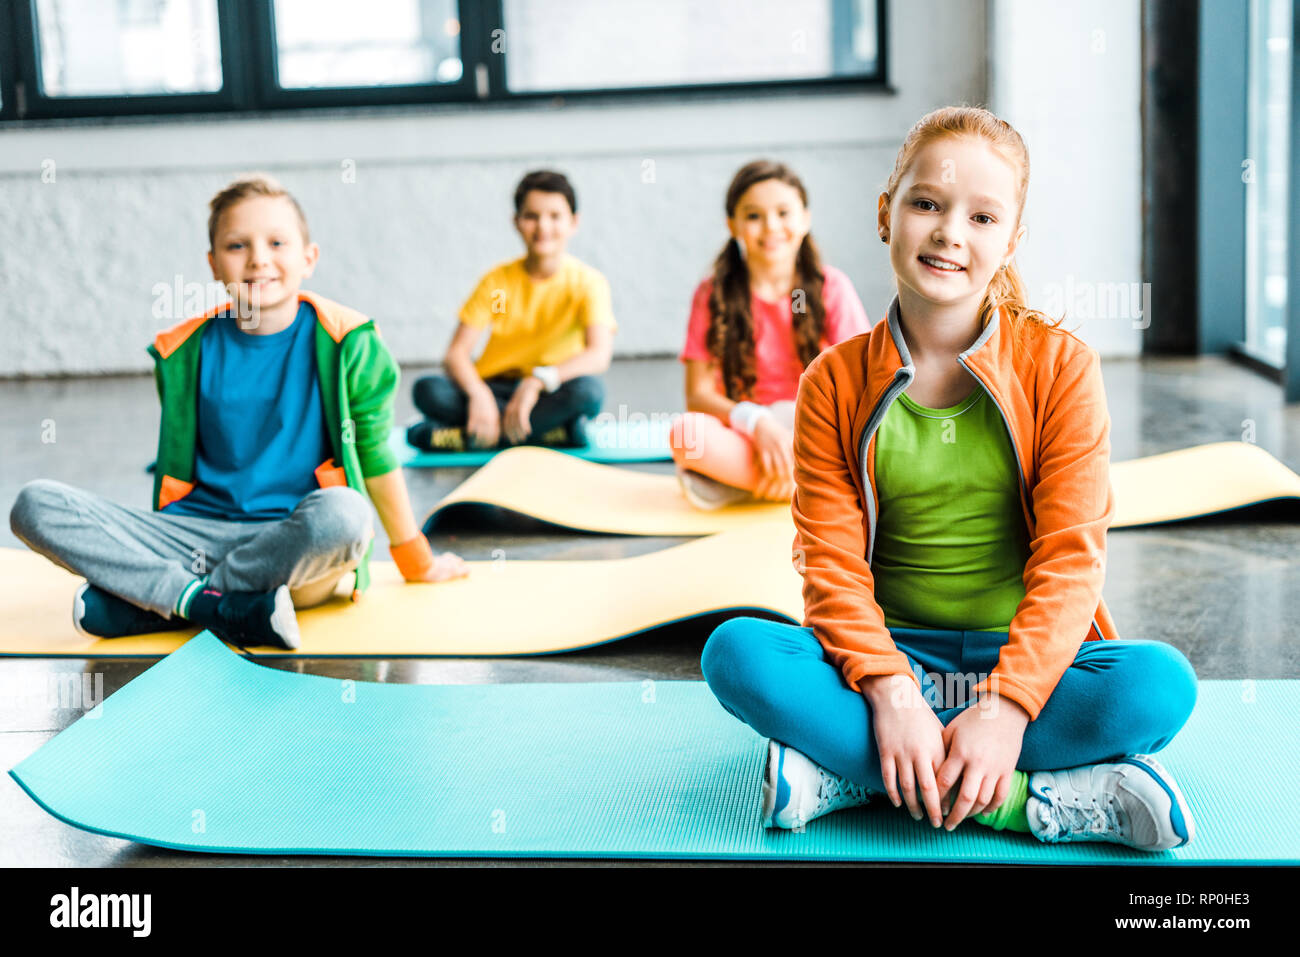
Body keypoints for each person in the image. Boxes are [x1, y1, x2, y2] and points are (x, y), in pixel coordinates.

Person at [700, 108, 1199, 851]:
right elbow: (830, 565)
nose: (949, 232)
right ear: (885, 213)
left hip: (1025, 661)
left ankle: (856, 774)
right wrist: (891, 689)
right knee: (737, 653)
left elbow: (1071, 559)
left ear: (1011, 239)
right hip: (885, 663)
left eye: (983, 215)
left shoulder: (1062, 367)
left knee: (1159, 684)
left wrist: (1007, 703)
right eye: (926, 203)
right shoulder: (831, 382)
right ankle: (1037, 794)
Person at [9, 174, 467, 650]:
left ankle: (164, 602)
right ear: (213, 264)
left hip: (295, 543)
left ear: (308, 258)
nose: (258, 259)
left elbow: (373, 453)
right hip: (191, 537)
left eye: (276, 242)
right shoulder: (184, 351)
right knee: (35, 504)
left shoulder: (351, 343)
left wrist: (416, 558)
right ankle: (214, 605)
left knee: (346, 516)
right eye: (237, 245)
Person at [669, 160, 870, 509]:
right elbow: (698, 395)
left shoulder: (832, 287)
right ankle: (801, 485)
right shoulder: (711, 293)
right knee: (686, 434)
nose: (771, 226)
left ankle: (743, 485)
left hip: (812, 429)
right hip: (746, 430)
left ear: (805, 219)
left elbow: (860, 383)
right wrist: (756, 421)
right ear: (733, 225)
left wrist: (791, 423)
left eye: (783, 213)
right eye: (753, 216)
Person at [407, 170, 614, 453]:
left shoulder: (588, 284)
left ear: (573, 223)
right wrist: (479, 395)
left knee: (589, 392)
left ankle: (458, 436)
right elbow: (456, 354)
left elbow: (598, 355)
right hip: (494, 389)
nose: (543, 226)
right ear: (516, 222)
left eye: (555, 216)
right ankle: (550, 433)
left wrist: (536, 382)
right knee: (428, 390)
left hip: (547, 390)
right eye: (531, 216)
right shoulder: (499, 284)